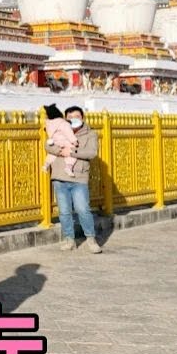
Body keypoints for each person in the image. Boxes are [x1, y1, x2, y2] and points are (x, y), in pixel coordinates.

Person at [47, 105, 102, 254]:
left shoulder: (90, 134)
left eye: (76, 117)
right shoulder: (59, 129)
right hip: (60, 176)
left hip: (79, 178)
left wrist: (71, 151)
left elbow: (91, 152)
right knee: (64, 211)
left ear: (82, 118)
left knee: (82, 209)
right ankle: (69, 240)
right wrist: (60, 150)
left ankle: (91, 239)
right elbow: (49, 146)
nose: (73, 120)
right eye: (69, 118)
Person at [41, 104, 78, 173]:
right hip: (64, 141)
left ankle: (46, 164)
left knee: (52, 154)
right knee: (72, 152)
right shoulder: (63, 123)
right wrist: (74, 141)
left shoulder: (49, 123)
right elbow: (69, 133)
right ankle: (69, 167)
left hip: (54, 142)